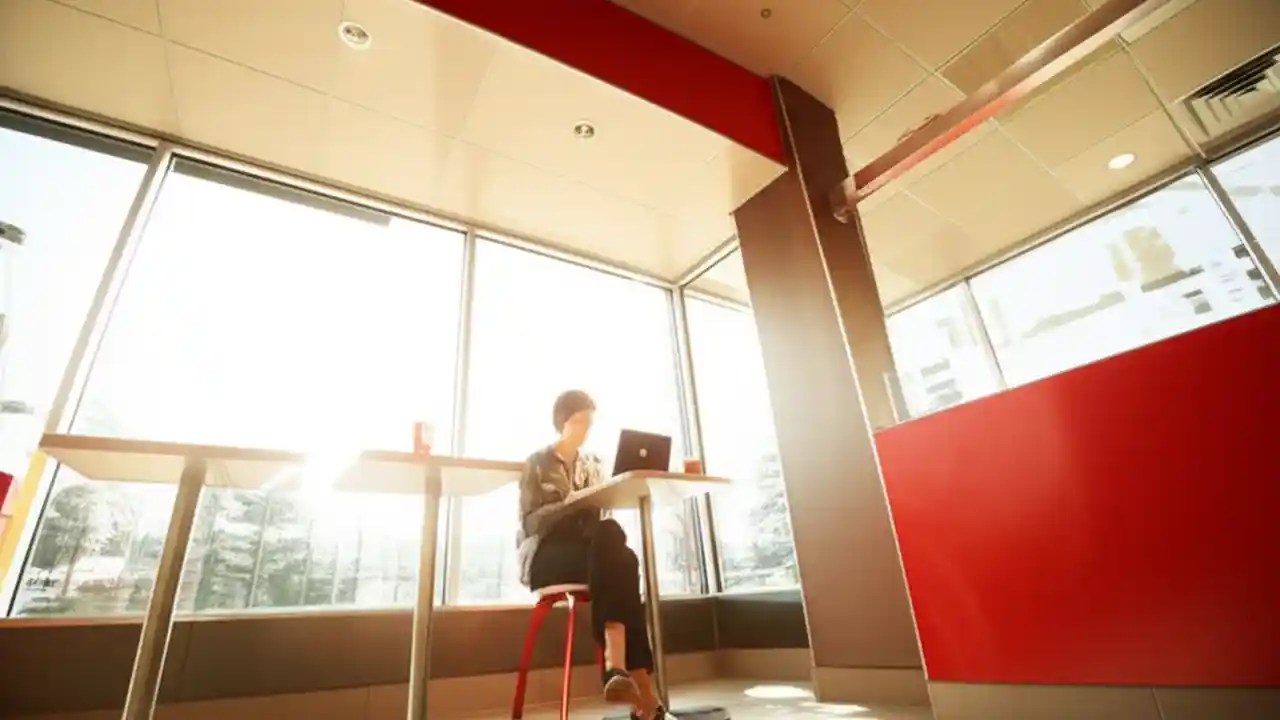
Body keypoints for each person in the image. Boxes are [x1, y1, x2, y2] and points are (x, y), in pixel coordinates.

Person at [517, 390, 670, 720]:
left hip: (591, 549)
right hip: (548, 553)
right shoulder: (537, 462)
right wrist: (570, 504)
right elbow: (529, 522)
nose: (585, 428)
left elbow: (602, 512)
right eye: (578, 421)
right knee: (621, 556)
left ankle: (619, 671)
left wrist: (592, 504)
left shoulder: (594, 464)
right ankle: (644, 696)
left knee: (616, 548)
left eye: (589, 422)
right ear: (561, 422)